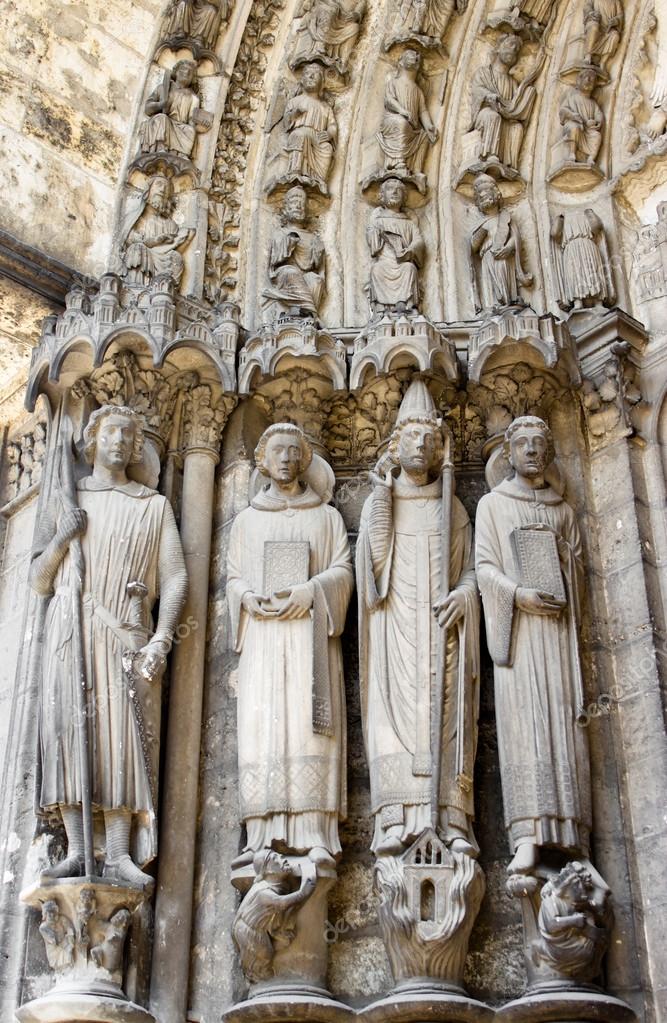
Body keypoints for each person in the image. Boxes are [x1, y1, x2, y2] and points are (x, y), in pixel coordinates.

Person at [30, 405, 187, 887]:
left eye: (128, 434)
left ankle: (118, 853)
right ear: (93, 440)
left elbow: (175, 577)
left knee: (122, 737)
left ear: (137, 446)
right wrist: (63, 536)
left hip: (124, 633)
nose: (119, 440)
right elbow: (38, 580)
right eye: (111, 432)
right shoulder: (69, 498)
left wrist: (163, 640)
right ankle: (78, 851)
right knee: (68, 731)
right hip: (71, 629)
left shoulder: (152, 505)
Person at [357, 380, 480, 856]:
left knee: (447, 715)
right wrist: (381, 501)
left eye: (429, 437)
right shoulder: (381, 502)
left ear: (439, 447)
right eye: (412, 436)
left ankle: (450, 817)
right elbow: (372, 572)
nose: (421, 445)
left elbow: (469, 571)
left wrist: (464, 597)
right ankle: (394, 816)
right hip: (395, 628)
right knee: (391, 714)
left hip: (441, 629)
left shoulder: (453, 508)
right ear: (395, 445)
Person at [227, 423, 353, 867]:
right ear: (262, 461)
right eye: (277, 450)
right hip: (263, 636)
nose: (285, 458)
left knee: (307, 724)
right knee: (263, 728)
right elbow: (234, 576)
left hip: (309, 635)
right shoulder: (246, 521)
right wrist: (246, 597)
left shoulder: (327, 517)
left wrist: (311, 591)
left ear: (305, 459)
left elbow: (343, 571)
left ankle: (314, 829)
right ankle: (262, 834)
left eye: (293, 450)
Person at [475, 416, 593, 875]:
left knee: (564, 724)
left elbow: (579, 572)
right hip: (520, 632)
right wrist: (517, 594)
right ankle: (526, 833)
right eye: (522, 443)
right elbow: (484, 569)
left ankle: (572, 834)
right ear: (508, 453)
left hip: (557, 633)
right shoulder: (492, 505)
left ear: (549, 453)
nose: (531, 451)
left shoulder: (562, 511)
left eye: (539, 444)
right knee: (523, 724)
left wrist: (562, 555)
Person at [367, 178, 424, 314]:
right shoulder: (378, 221)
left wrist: (409, 250)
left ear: (404, 197)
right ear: (382, 195)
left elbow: (419, 241)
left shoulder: (409, 223)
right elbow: (373, 246)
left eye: (399, 190)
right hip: (385, 262)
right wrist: (375, 232)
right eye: (390, 189)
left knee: (409, 268)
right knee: (376, 270)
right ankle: (381, 307)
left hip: (402, 262)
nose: (394, 192)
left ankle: (404, 303)